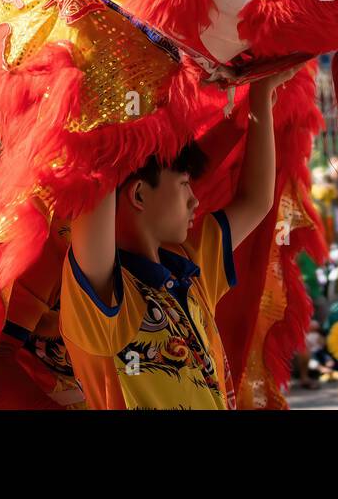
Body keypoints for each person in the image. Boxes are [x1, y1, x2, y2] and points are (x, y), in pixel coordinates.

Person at [61, 68, 292, 409]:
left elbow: (257, 201)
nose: (194, 200)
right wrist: (109, 76)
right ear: (139, 194)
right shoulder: (105, 294)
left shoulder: (191, 270)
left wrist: (262, 93)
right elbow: (98, 169)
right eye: (184, 184)